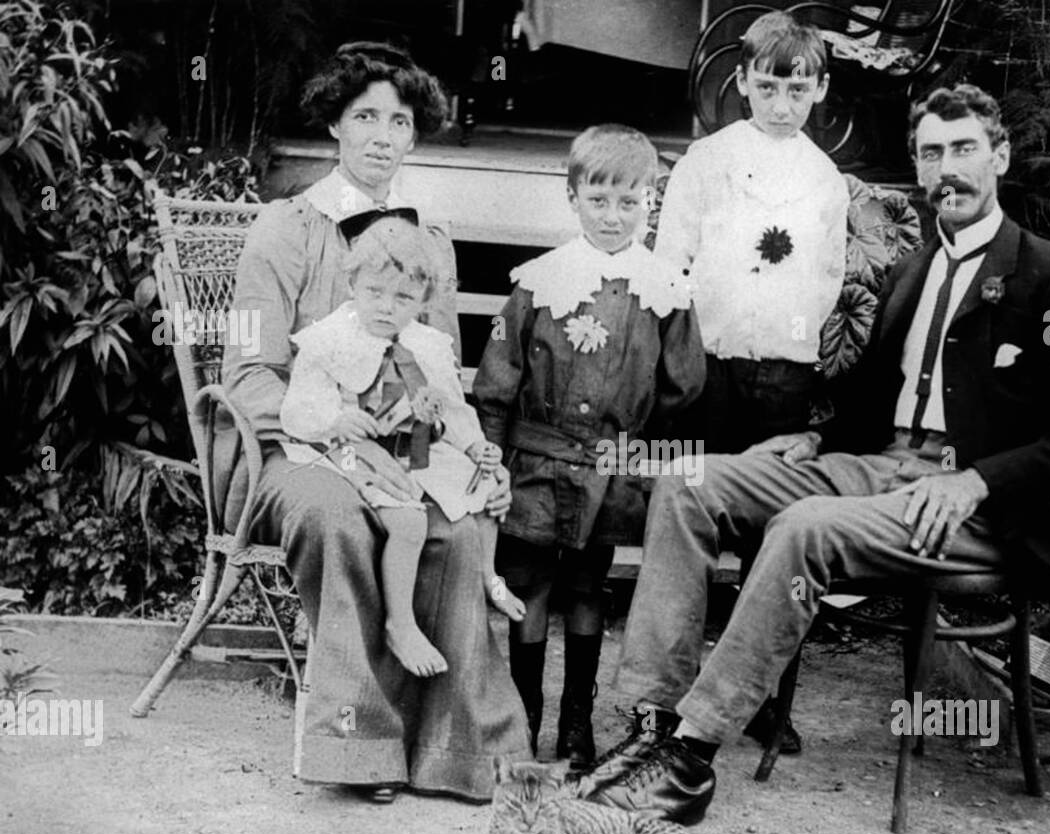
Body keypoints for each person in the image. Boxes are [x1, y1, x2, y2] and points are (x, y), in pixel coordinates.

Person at [575, 84, 1050, 826]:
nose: (948, 169)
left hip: (976, 509)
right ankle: (651, 719)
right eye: (932, 154)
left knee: (806, 526)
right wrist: (816, 440)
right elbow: (874, 404)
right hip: (880, 467)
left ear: (1000, 155)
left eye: (964, 149)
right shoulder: (914, 269)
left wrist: (976, 482)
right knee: (688, 480)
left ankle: (690, 757)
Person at [218, 42, 531, 804]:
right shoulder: (286, 227)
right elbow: (248, 375)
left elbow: (437, 374)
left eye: (399, 120)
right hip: (283, 447)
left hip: (402, 447)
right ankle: (360, 747)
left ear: (416, 134)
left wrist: (468, 459)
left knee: (453, 525)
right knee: (342, 517)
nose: (382, 135)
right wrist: (336, 431)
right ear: (335, 125)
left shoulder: (427, 242)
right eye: (364, 117)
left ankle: (461, 753)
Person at [473, 124, 705, 770]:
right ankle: (523, 717)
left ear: (650, 204)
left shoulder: (664, 290)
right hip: (536, 465)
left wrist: (630, 446)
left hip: (608, 468)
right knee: (529, 583)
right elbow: (497, 385)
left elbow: (682, 386)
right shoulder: (538, 284)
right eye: (598, 200)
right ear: (571, 197)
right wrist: (493, 461)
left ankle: (578, 720)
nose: (612, 216)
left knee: (585, 587)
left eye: (629, 202)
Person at [653, 10, 850, 753]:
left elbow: (826, 276)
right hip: (711, 367)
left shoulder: (825, 179)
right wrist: (687, 354)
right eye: (767, 87)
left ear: (820, 90)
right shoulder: (707, 162)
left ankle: (765, 696)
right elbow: (675, 258)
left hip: (785, 376)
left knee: (776, 539)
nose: (780, 104)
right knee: (692, 518)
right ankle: (675, 694)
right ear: (741, 82)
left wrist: (796, 348)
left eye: (797, 90)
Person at [279, 217, 526, 677]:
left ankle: (489, 575)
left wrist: (475, 447)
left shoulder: (426, 345)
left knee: (485, 488)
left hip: (411, 449)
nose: (386, 308)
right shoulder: (329, 340)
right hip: (345, 450)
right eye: (374, 293)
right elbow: (296, 411)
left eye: (403, 298)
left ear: (423, 300)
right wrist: (335, 419)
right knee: (409, 521)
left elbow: (452, 411)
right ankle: (400, 622)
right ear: (353, 283)